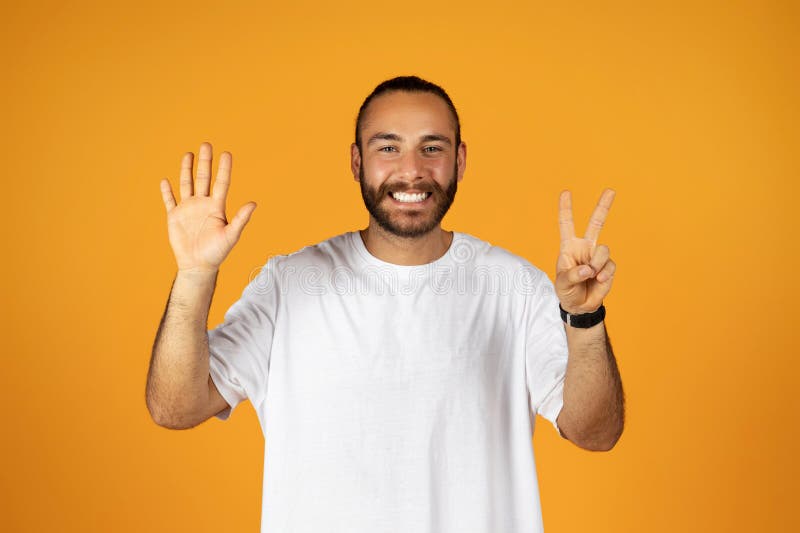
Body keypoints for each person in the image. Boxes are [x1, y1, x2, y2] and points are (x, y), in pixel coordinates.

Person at [146, 75, 625, 533]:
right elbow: (176, 406)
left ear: (460, 161)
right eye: (388, 147)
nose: (411, 169)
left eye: (432, 148)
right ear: (357, 162)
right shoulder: (288, 285)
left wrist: (584, 319)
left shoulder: (515, 286)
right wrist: (194, 275)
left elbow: (596, 432)